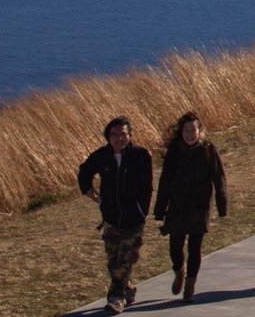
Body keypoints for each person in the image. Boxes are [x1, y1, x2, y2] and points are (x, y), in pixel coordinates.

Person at [76, 115, 154, 314]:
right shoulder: (102, 156)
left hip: (134, 219)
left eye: (123, 134)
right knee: (113, 261)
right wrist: (92, 195)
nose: (119, 138)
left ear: (130, 135)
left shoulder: (141, 155)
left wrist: (141, 211)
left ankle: (115, 298)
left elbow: (147, 187)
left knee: (125, 258)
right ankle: (127, 287)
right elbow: (84, 172)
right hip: (110, 217)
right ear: (108, 137)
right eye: (115, 135)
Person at [152, 110, 227, 304]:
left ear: (200, 131)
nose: (189, 134)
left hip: (200, 206)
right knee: (175, 248)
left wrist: (222, 205)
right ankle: (179, 271)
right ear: (181, 132)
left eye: (193, 130)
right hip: (178, 206)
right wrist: (160, 209)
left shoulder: (208, 150)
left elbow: (219, 178)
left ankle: (190, 287)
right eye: (185, 130)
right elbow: (165, 181)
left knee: (195, 247)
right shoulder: (174, 152)